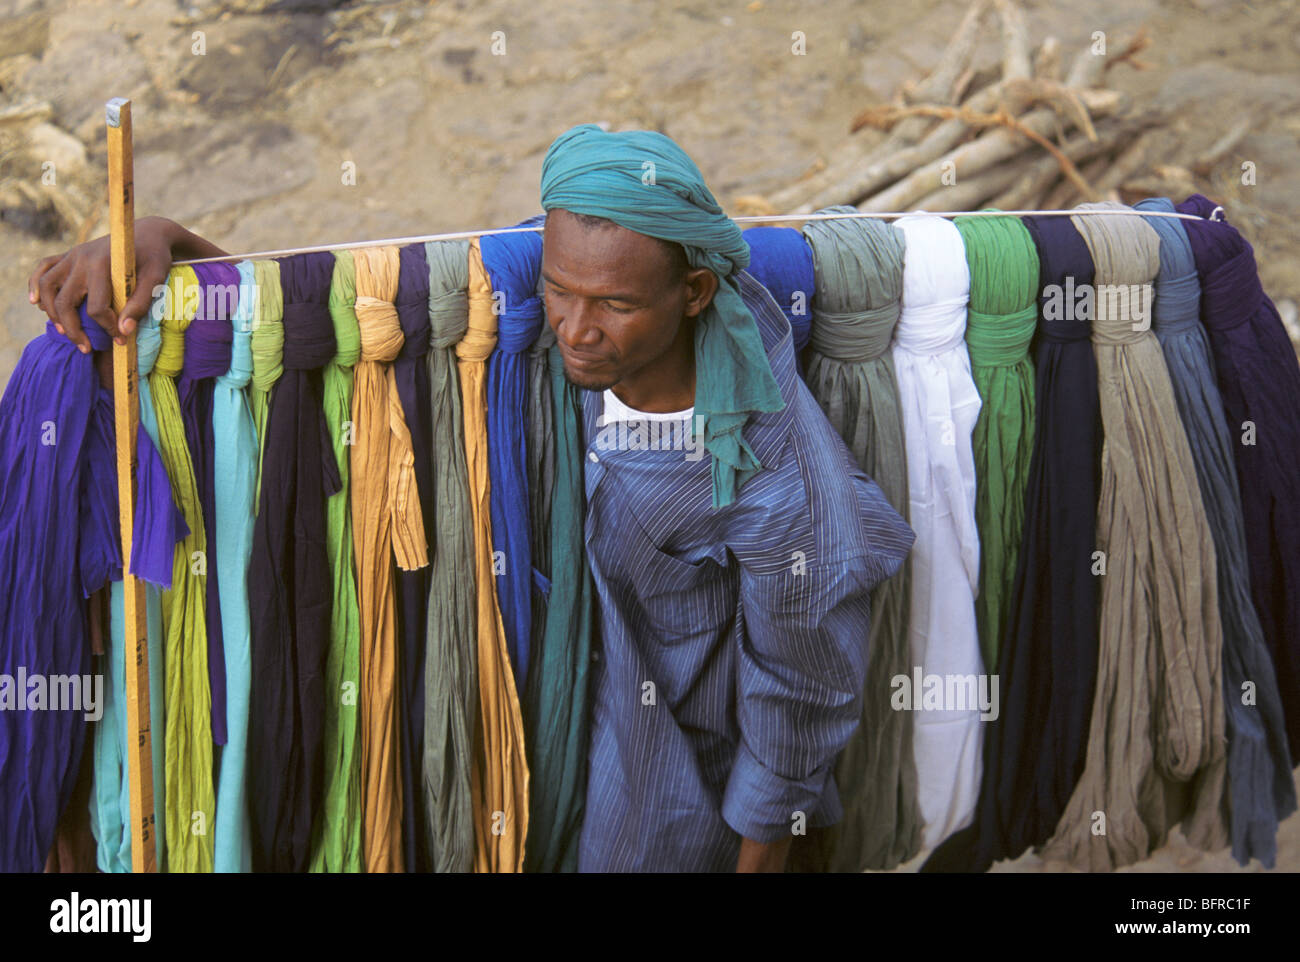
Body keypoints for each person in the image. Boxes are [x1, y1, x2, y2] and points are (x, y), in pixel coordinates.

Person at [28, 122, 915, 873]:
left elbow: (799, 703)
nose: (573, 327)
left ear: (694, 294)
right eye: (561, 290)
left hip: (649, 802)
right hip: (491, 753)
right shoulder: (532, 324)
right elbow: (327, 338)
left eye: (612, 305)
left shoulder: (778, 478)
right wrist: (170, 242)